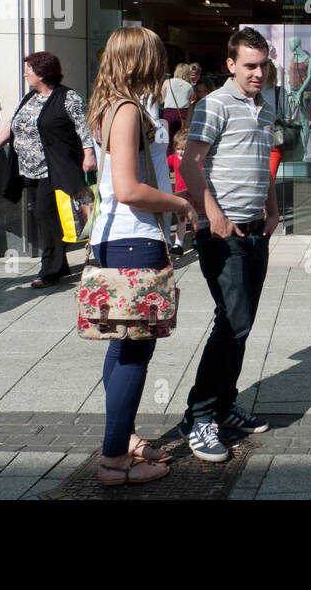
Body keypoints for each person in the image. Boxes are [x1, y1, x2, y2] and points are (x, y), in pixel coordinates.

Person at [85, 25, 198, 486]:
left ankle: (122, 438)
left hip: (115, 239)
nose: (160, 66)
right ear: (139, 61)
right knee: (135, 351)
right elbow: (130, 189)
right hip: (136, 238)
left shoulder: (107, 107)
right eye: (155, 57)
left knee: (122, 345)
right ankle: (114, 461)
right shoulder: (129, 110)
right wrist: (180, 203)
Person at [177, 27, 281, 462]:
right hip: (224, 231)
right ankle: (199, 416)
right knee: (233, 321)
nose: (258, 73)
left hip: (256, 228)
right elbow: (189, 163)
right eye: (250, 65)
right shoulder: (214, 104)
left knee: (240, 322)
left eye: (263, 65)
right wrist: (213, 215)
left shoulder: (265, 105)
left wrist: (273, 208)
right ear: (231, 64)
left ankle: (221, 406)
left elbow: (264, 161)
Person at [0, 51, 97, 288]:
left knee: (46, 217)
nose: (25, 73)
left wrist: (88, 154)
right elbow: (13, 122)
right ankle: (59, 262)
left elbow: (84, 128)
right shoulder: (30, 97)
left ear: (42, 73)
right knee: (45, 217)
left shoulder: (69, 98)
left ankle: (50, 270)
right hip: (28, 171)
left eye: (29, 69)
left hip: (53, 169)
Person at [167, 128, 189, 256]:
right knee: (181, 219)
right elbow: (163, 164)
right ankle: (178, 243)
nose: (181, 152)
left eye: (184, 149)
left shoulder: (193, 160)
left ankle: (195, 237)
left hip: (192, 194)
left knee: (194, 218)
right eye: (179, 148)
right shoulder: (173, 158)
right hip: (179, 194)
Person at [161, 62, 195, 137]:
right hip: (182, 114)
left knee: (166, 140)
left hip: (168, 114)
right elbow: (190, 106)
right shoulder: (190, 87)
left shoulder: (168, 82)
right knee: (179, 140)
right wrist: (187, 123)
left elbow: (162, 100)